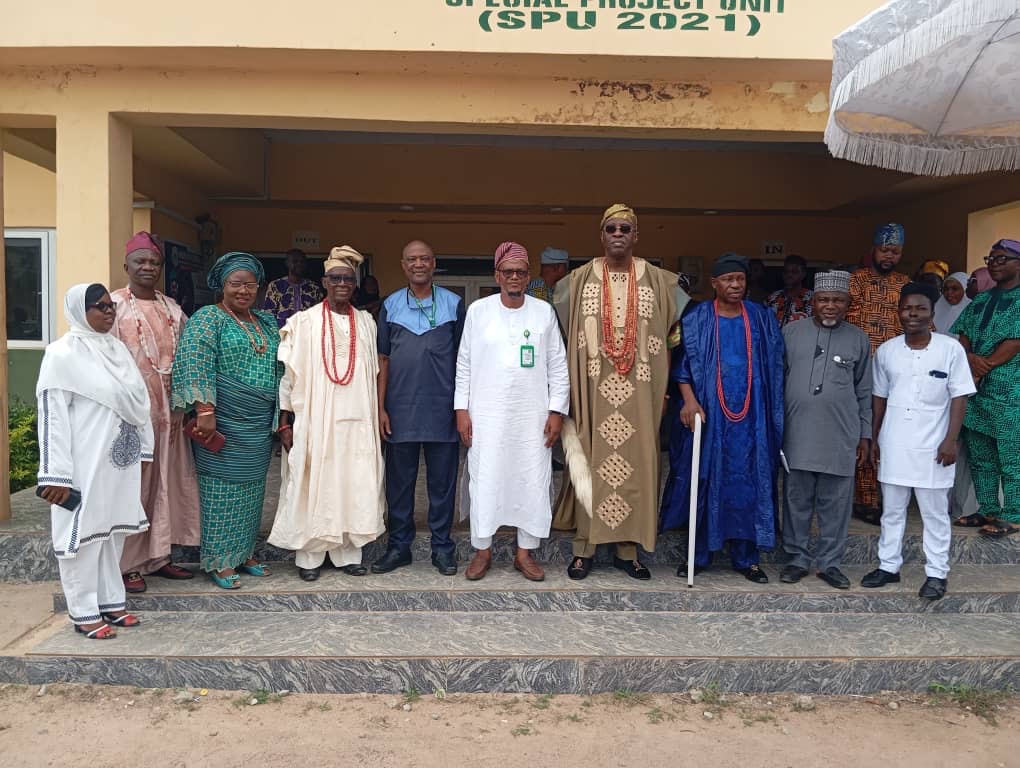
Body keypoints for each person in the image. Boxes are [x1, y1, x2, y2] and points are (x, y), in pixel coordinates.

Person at [552, 204, 678, 581]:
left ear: (636, 236)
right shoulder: (575, 281)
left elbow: (673, 337)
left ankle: (628, 550)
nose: (618, 234)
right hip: (592, 391)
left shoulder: (660, 281)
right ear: (601, 235)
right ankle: (584, 548)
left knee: (636, 468)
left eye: (626, 228)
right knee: (590, 465)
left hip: (641, 392)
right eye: (612, 229)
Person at [36, 284, 153, 638]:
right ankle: (83, 611)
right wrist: (55, 474)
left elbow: (138, 404)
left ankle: (111, 601)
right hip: (81, 464)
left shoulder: (117, 350)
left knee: (112, 533)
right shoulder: (62, 354)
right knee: (83, 537)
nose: (108, 312)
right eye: (99, 306)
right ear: (77, 310)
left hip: (118, 461)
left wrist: (143, 451)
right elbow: (51, 417)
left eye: (110, 306)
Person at [660, 253, 784, 583]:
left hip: (751, 420)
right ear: (715, 283)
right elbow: (681, 368)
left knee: (748, 486)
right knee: (704, 481)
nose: (735, 285)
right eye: (728, 280)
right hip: (709, 418)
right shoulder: (696, 318)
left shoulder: (761, 317)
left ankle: (747, 559)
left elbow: (774, 368)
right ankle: (698, 556)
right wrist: (688, 402)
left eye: (740, 280)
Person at [269, 246, 385, 581]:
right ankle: (310, 558)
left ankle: (348, 554)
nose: (342, 284)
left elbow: (373, 373)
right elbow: (288, 377)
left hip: (357, 421)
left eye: (349, 279)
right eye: (336, 278)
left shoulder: (366, 323)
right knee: (312, 480)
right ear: (324, 281)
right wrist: (286, 419)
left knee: (354, 481)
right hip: (316, 420)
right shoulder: (303, 323)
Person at [455, 242, 570, 581]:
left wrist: (556, 411)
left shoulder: (543, 312)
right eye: (508, 272)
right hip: (486, 417)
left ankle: (525, 553)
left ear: (528, 275)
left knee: (531, 481)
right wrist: (461, 409)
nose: (514, 277)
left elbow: (558, 366)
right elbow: (464, 364)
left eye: (520, 271)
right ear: (497, 275)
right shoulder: (478, 311)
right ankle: (482, 551)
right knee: (485, 481)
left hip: (531, 417)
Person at [172, 252, 283, 589]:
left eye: (250, 284)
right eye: (236, 284)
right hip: (222, 422)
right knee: (220, 492)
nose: (243, 291)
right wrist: (205, 411)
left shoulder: (265, 322)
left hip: (258, 424)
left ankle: (245, 553)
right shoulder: (208, 318)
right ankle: (220, 560)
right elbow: (195, 360)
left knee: (252, 492)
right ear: (222, 285)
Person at [862, 282, 974, 600]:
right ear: (899, 312)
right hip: (894, 443)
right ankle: (888, 566)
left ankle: (937, 574)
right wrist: (875, 438)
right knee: (892, 510)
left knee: (934, 513)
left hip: (935, 447)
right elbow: (879, 398)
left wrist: (951, 440)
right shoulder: (887, 351)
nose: (913, 314)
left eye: (920, 308)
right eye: (907, 308)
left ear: (931, 312)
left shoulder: (950, 349)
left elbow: (960, 397)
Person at [111, 232, 200, 594]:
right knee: (137, 485)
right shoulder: (113, 307)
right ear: (126, 266)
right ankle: (128, 563)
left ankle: (160, 556)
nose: (148, 267)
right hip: (132, 416)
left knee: (169, 481)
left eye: (154, 262)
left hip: (171, 416)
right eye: (140, 262)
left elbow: (187, 357)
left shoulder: (173, 309)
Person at [373, 240, 466, 576]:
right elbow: (382, 360)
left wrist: (462, 408)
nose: (418, 264)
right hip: (400, 410)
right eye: (411, 259)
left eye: (424, 258)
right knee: (399, 484)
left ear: (433, 263)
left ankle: (443, 548)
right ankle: (399, 547)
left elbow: (465, 362)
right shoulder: (391, 305)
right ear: (403, 264)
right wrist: (381, 407)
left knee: (442, 486)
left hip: (442, 408)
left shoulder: (454, 305)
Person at [779, 271, 871, 590]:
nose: (830, 306)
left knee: (836, 503)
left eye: (837, 300)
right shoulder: (789, 333)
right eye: (823, 300)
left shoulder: (858, 338)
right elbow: (777, 383)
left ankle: (830, 563)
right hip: (797, 434)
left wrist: (865, 435)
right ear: (813, 302)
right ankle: (796, 559)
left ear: (848, 304)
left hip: (841, 435)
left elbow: (864, 390)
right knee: (796, 500)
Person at [951, 239, 1020, 538]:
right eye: (990, 258)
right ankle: (988, 507)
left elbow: (1015, 341)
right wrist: (968, 360)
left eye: (1002, 258)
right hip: (976, 392)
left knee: (1011, 455)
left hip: (1010, 394)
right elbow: (962, 334)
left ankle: (1015, 512)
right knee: (981, 455)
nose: (994, 263)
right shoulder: (980, 300)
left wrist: (984, 366)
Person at [846, 223, 910, 525]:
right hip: (859, 369)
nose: (889, 256)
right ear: (873, 250)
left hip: (894, 370)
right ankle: (863, 499)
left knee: (886, 430)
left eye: (895, 252)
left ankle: (883, 498)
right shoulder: (855, 281)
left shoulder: (904, 284)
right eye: (885, 250)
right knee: (863, 430)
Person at [262, 248, 325, 328]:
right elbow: (268, 315)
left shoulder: (314, 287)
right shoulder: (275, 286)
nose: (299, 264)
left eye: (302, 262)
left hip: (307, 334)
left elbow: (319, 315)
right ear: (287, 263)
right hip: (283, 335)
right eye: (295, 261)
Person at [765, 254, 813, 328]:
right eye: (786, 272)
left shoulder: (812, 299)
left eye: (794, 272)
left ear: (803, 274)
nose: (789, 275)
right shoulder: (772, 298)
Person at [934, 271, 971, 337]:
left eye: (954, 289)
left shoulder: (973, 313)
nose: (949, 292)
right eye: (946, 289)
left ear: (965, 289)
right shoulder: (937, 309)